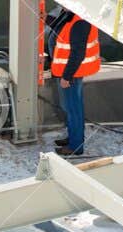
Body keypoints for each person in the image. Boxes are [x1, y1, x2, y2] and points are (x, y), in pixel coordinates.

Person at [49, 7, 101, 157]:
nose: (61, 5)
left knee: (73, 110)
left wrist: (67, 76)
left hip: (71, 74)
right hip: (67, 72)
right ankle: (73, 138)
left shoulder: (80, 22)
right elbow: (60, 29)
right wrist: (46, 18)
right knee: (70, 107)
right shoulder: (70, 15)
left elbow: (78, 53)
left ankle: (76, 146)